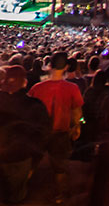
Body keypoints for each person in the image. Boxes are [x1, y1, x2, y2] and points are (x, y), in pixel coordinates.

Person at [0, 64, 51, 204]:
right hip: (19, 155)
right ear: (24, 83)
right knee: (15, 196)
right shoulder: (35, 105)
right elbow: (43, 132)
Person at [29, 51, 84, 200]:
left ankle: (20, 191)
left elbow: (29, 109)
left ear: (49, 65)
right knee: (60, 168)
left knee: (31, 164)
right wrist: (77, 126)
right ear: (66, 67)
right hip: (60, 133)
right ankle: (61, 197)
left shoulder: (37, 87)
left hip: (39, 132)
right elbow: (77, 110)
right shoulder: (72, 88)